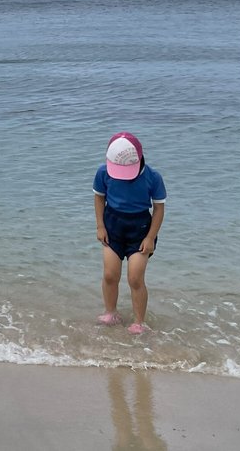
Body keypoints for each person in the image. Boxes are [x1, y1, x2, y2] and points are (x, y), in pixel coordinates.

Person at [93, 132, 166, 335]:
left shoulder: (153, 177)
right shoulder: (103, 172)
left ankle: (139, 322)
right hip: (112, 226)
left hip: (140, 230)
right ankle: (111, 312)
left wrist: (150, 237)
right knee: (110, 275)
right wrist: (100, 226)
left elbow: (159, 208)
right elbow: (99, 198)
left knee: (135, 278)